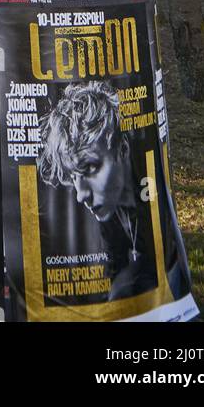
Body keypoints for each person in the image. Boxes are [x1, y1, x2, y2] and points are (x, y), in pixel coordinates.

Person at [36, 81, 156, 302]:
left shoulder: (153, 195)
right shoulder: (110, 207)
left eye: (90, 168)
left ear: (123, 148)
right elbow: (116, 267)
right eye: (74, 176)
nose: (82, 195)